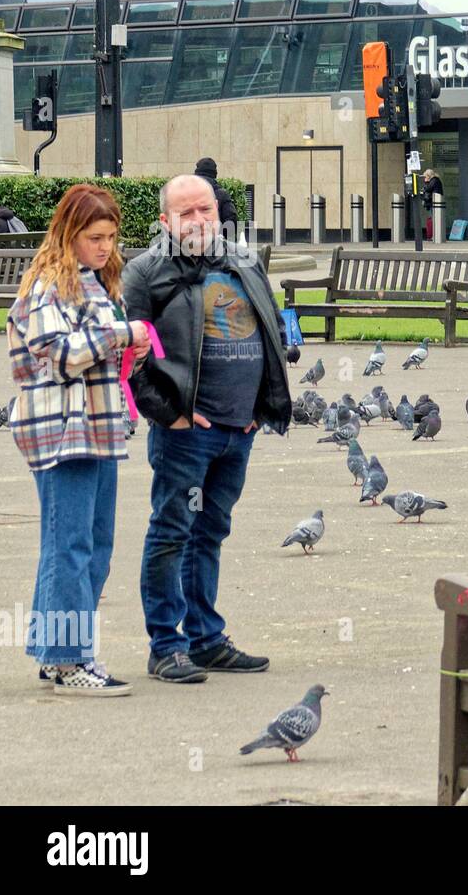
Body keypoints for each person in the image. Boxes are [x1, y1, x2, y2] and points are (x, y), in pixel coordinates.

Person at [123, 174, 292, 683]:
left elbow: (273, 327)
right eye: (186, 213)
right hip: (186, 433)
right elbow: (129, 357)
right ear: (165, 221)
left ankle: (207, 639)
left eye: (206, 210)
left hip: (239, 429)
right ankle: (166, 645)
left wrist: (263, 406)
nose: (199, 220)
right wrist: (166, 413)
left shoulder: (242, 261)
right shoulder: (146, 273)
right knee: (172, 531)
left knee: (210, 532)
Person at [7, 184, 152, 695]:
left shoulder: (92, 281)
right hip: (62, 429)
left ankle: (56, 654)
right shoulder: (50, 283)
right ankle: (71, 661)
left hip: (95, 427)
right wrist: (122, 335)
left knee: (88, 545)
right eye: (95, 237)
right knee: (72, 546)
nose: (106, 246)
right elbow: (60, 353)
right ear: (69, 233)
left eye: (111, 237)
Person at [194, 157, 239, 241]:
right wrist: (221, 236)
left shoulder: (187, 192)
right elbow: (231, 219)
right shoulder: (222, 194)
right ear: (214, 174)